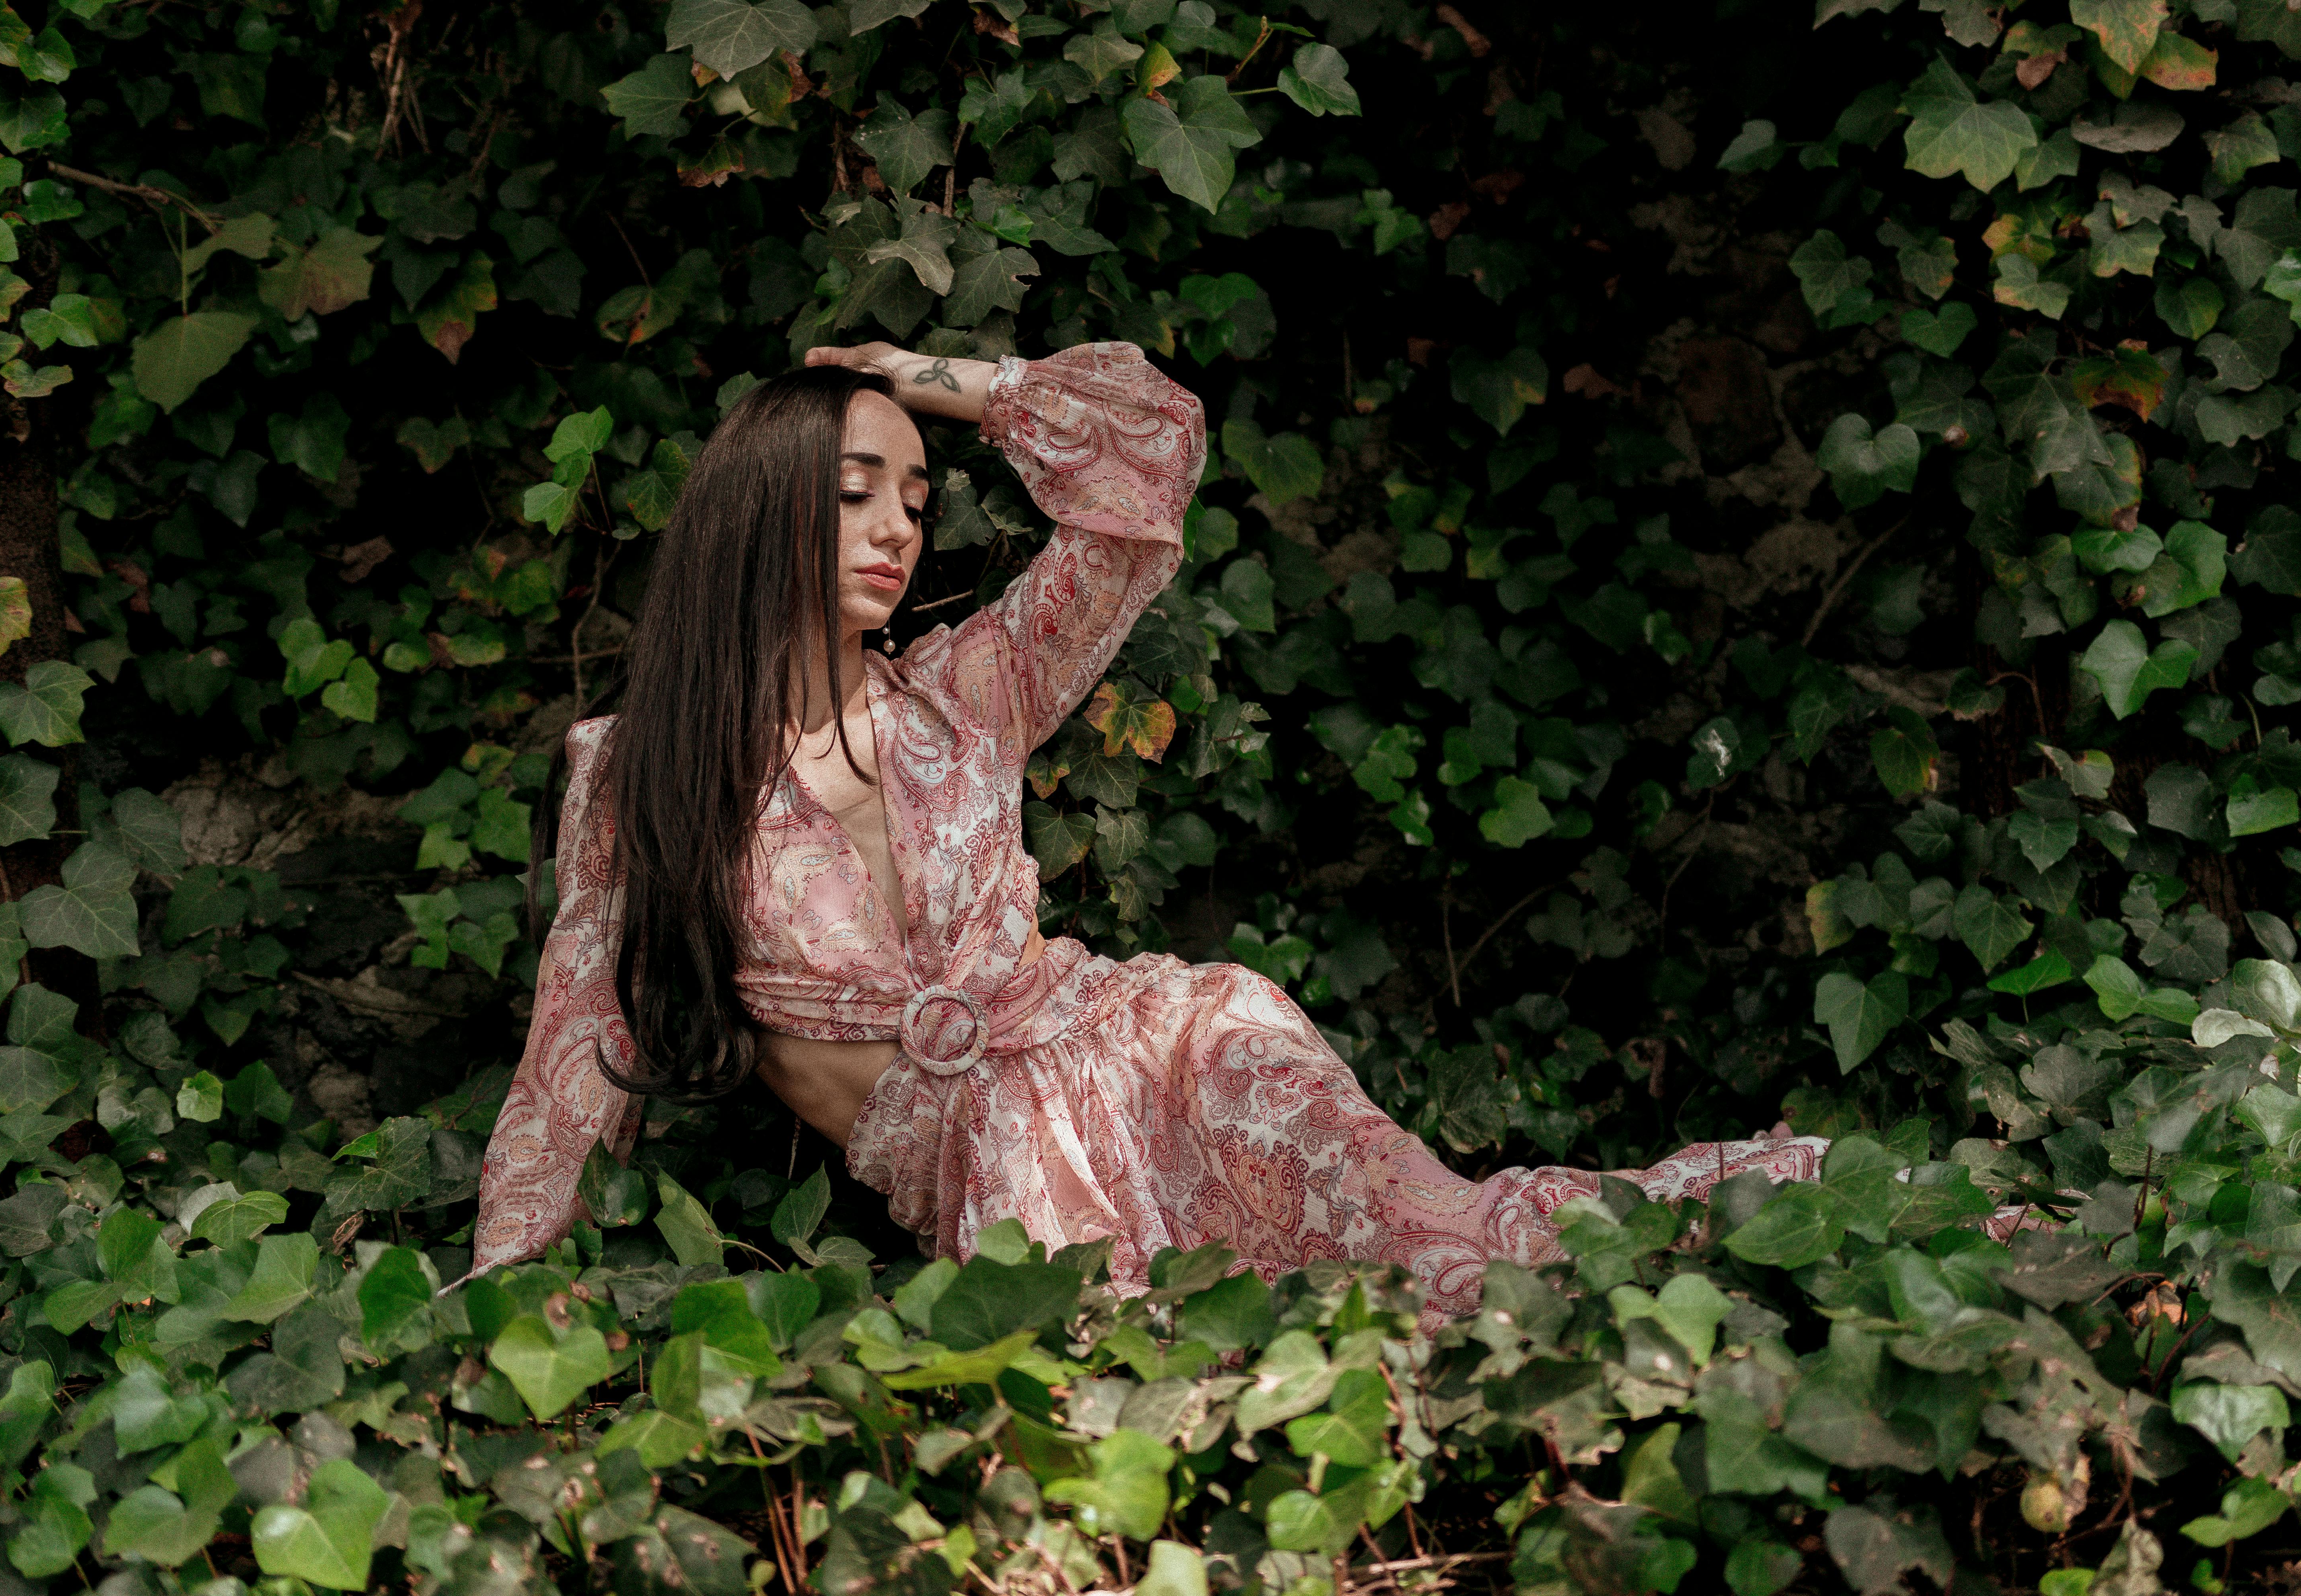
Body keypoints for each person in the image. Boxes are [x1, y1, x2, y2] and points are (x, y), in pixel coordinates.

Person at [467, 338, 1837, 1321]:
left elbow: (1147, 469)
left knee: (1441, 1255)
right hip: (993, 1171)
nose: (898, 532)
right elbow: (571, 1069)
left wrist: (947, 382)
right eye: (854, 491)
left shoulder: (968, 699)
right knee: (1146, 1391)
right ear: (761, 504)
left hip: (1168, 1053)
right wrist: (501, 1308)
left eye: (917, 501)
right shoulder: (644, 772)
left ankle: (1772, 1231)